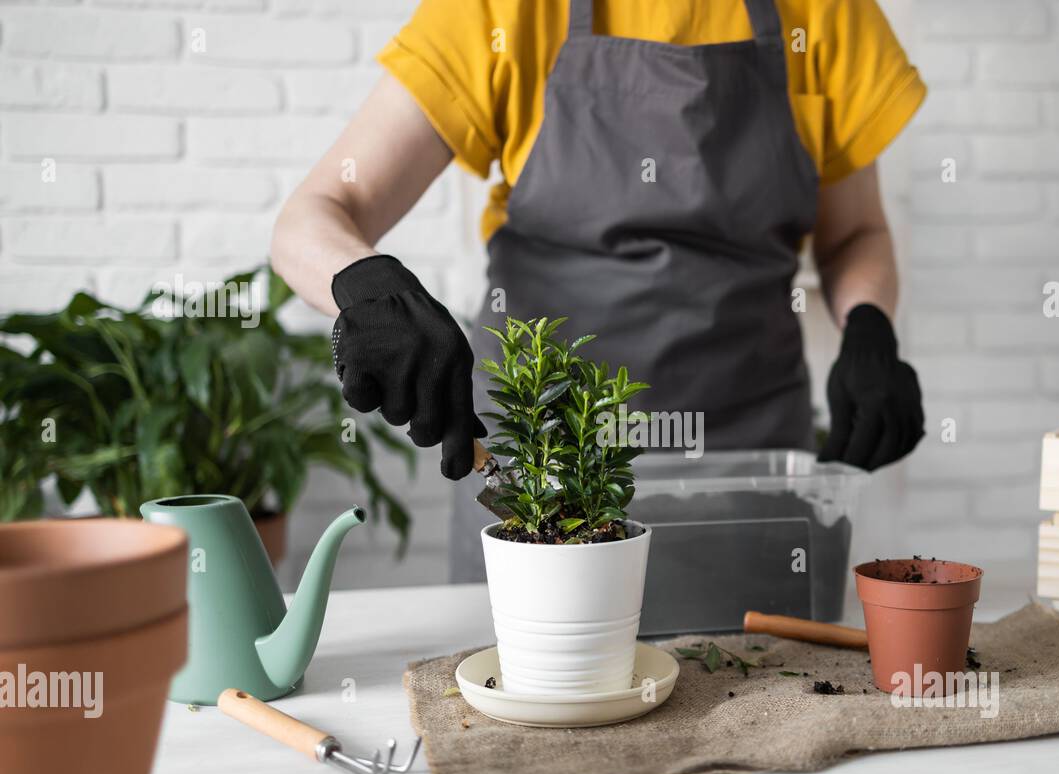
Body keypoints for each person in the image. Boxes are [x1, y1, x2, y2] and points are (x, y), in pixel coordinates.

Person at [272, 0, 927, 582]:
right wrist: (368, 289)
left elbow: (855, 233)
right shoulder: (501, 10)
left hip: (744, 468)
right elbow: (317, 212)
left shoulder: (826, 11)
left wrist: (870, 329)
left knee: (756, 694)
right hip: (532, 462)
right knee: (532, 699)